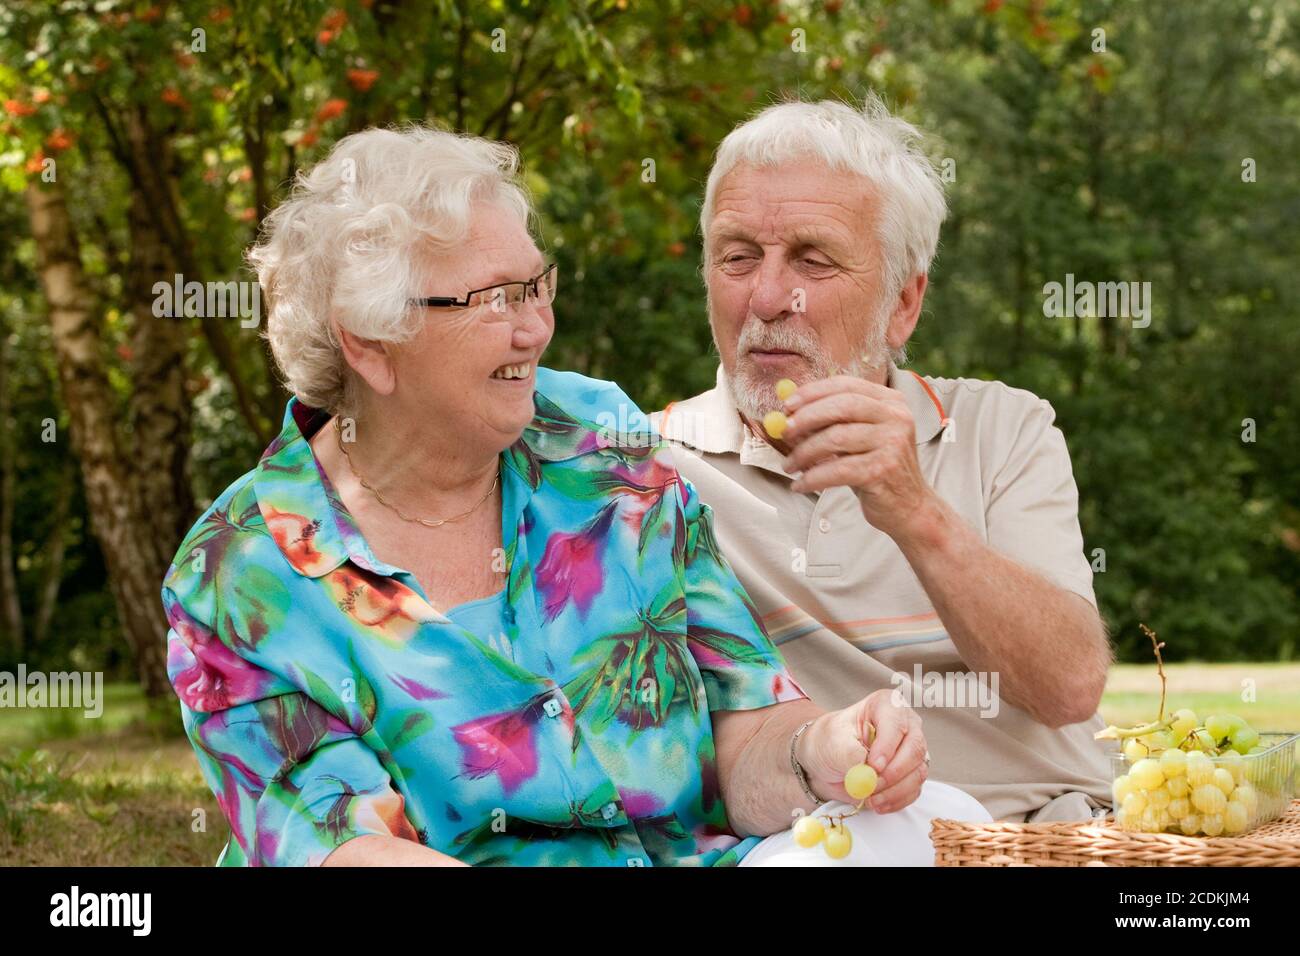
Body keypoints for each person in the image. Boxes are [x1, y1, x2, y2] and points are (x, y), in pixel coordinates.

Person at [162, 124, 988, 867]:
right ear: (371, 343)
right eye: (495, 300)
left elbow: (743, 722)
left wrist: (822, 747)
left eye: (536, 286)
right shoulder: (240, 576)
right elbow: (348, 850)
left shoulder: (599, 440)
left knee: (921, 824)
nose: (535, 329)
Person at [651, 97, 1118, 823]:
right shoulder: (647, 468)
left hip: (1042, 835)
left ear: (904, 303)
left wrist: (914, 509)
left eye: (814, 258)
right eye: (738, 256)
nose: (769, 296)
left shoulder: (1002, 428)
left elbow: (1068, 688)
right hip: (826, 845)